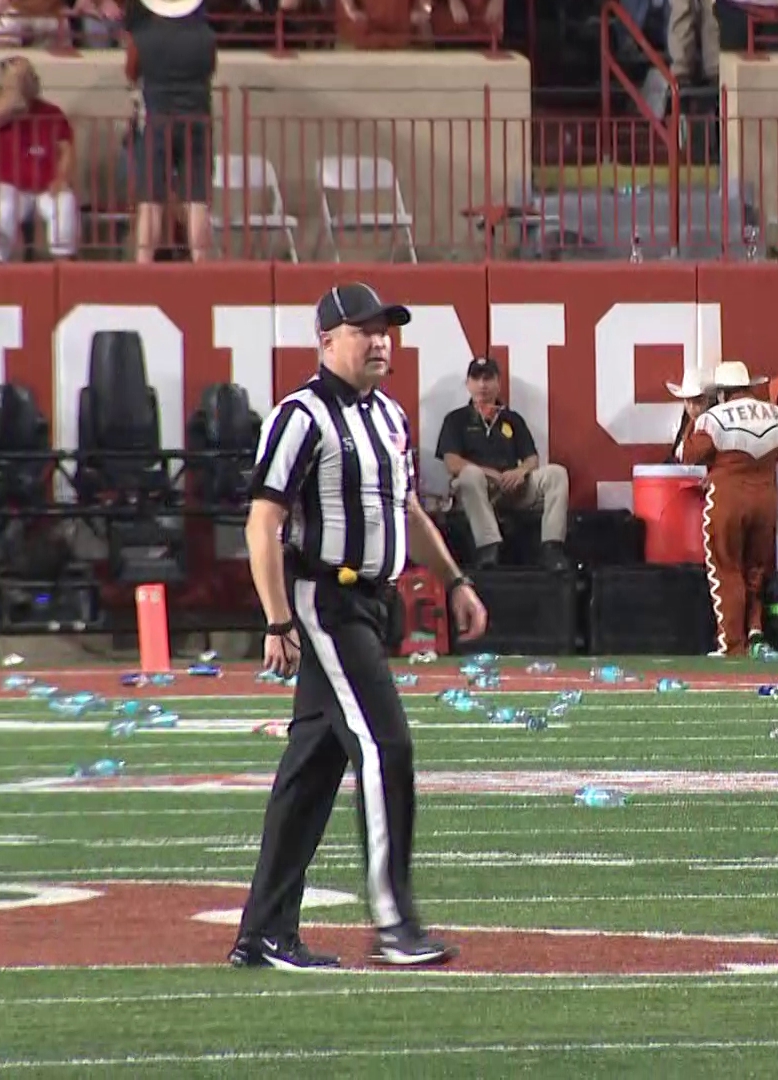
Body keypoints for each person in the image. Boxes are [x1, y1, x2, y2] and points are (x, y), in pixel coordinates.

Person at [232, 282, 488, 971]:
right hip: (327, 600)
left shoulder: (390, 417)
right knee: (386, 746)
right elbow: (263, 525)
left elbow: (404, 509)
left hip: (374, 603)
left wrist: (454, 579)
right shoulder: (299, 416)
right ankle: (394, 922)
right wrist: (277, 618)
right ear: (327, 341)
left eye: (387, 330)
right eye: (364, 330)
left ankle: (263, 934)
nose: (381, 341)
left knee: (310, 773)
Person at [681, 360, 778, 656]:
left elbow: (688, 454)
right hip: (766, 498)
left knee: (725, 568)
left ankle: (731, 643)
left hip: (727, 498)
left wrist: (693, 419)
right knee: (755, 569)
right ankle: (756, 631)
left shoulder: (713, 418)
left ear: (722, 393)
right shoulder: (777, 414)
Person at [435, 357, 571, 571]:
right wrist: (489, 473)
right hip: (476, 490)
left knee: (556, 474)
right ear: (468, 384)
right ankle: (489, 548)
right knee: (470, 476)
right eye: (476, 378)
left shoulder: (512, 419)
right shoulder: (456, 419)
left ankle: (552, 547)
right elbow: (452, 462)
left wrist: (520, 472)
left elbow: (531, 458)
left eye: (488, 378)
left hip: (510, 488)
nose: (482, 385)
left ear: (498, 383)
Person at [126, 0, 217, 263]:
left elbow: (132, 72)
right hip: (197, 120)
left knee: (151, 201)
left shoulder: (142, 37)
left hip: (159, 120)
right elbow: (208, 70)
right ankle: (201, 263)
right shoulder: (207, 36)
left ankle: (144, 264)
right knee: (197, 200)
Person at [0, 56, 80, 263]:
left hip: (43, 188)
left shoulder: (51, 111)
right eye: (18, 77)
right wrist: (12, 95)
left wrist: (61, 178)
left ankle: (64, 264)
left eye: (29, 75)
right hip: (4, 185)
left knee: (65, 201)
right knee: (5, 205)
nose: (25, 81)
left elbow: (66, 148)